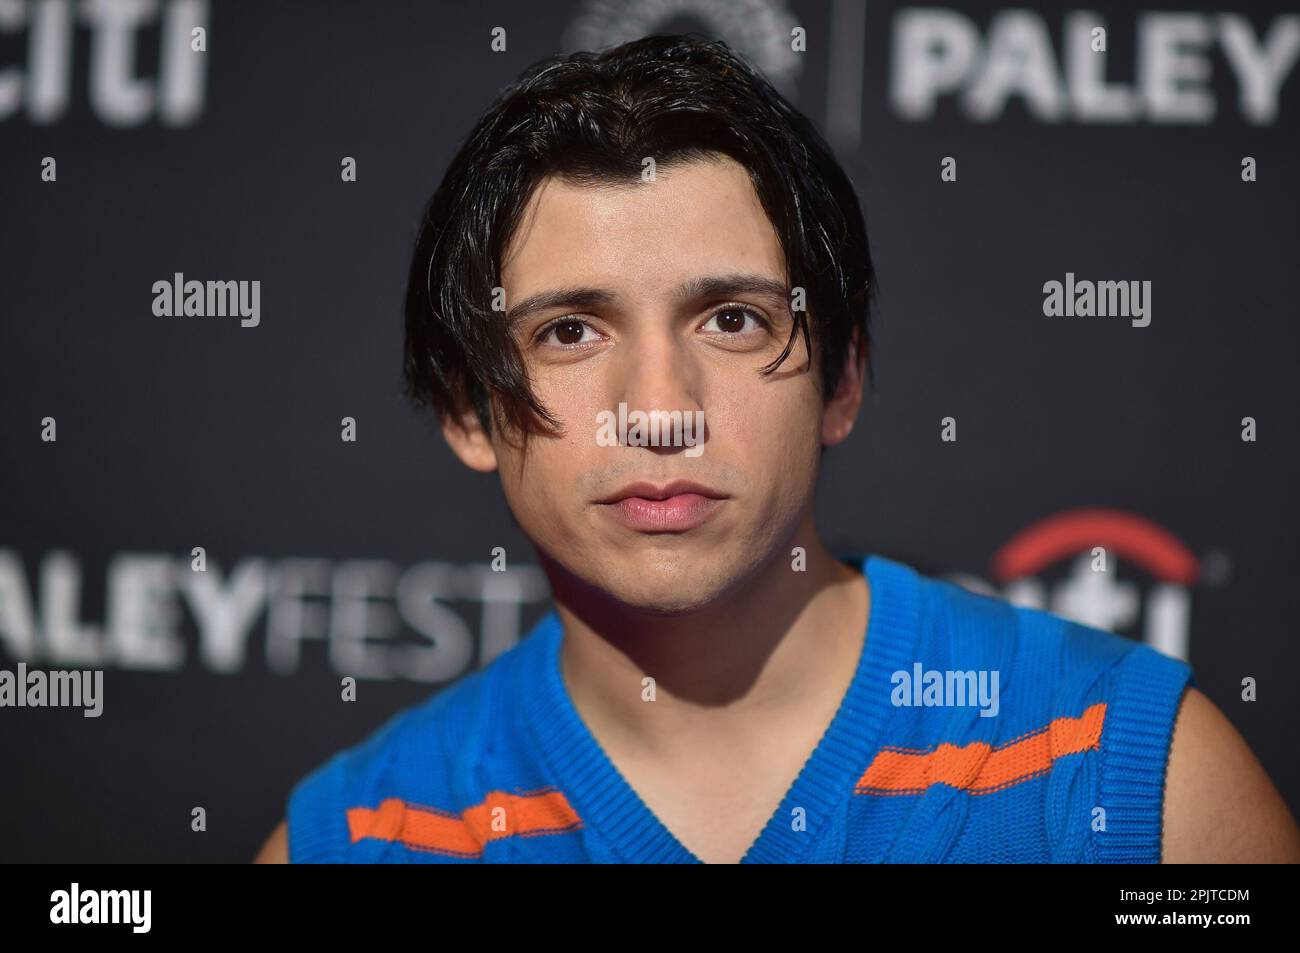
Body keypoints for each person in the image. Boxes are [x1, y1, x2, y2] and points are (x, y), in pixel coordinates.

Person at [255, 34, 1300, 863]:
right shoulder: (358, 837)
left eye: (733, 320)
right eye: (568, 331)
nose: (659, 409)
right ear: (468, 412)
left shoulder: (1128, 777)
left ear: (841, 381)